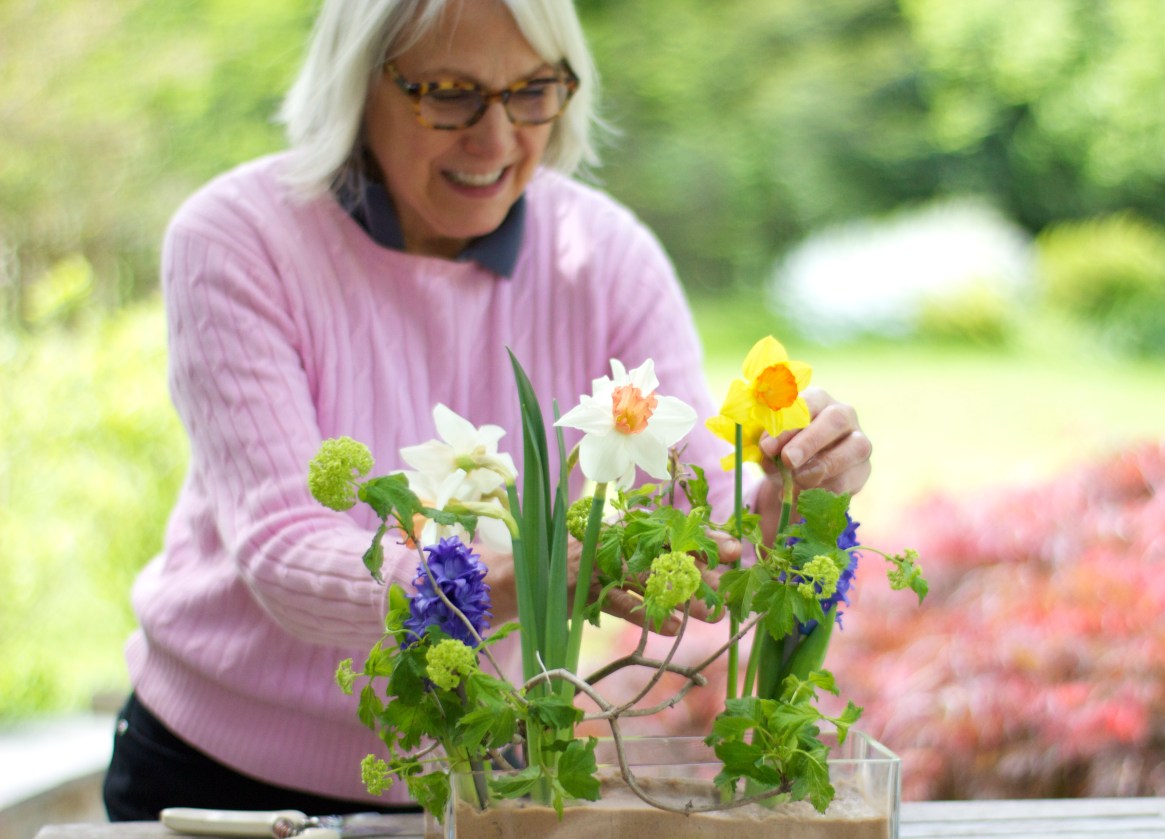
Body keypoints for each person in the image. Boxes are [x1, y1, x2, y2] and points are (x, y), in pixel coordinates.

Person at [103, 0, 872, 821]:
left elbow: (700, 510)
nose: (497, 139)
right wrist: (523, 577)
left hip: (486, 768)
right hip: (222, 777)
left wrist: (786, 494)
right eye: (448, 93)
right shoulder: (237, 239)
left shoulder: (606, 258)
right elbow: (285, 551)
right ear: (356, 84)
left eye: (532, 91)